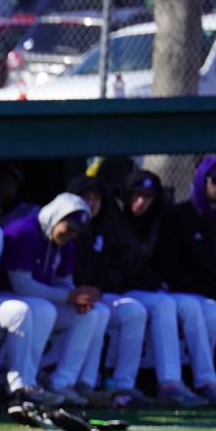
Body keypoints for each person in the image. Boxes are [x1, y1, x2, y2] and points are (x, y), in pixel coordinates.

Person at [159, 154, 216, 403]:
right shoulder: (178, 216)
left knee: (214, 312)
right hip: (183, 294)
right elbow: (168, 266)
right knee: (203, 312)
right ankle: (201, 381)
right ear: (202, 181)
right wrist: (200, 289)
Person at [1, 194, 105, 406]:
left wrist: (79, 296)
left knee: (90, 313)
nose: (73, 234)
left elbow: (63, 281)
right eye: (70, 227)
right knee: (44, 309)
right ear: (57, 216)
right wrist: (68, 296)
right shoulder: (23, 231)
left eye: (77, 231)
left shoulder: (66, 241)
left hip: (36, 300)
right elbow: (21, 285)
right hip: (4, 295)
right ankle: (26, 382)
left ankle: (62, 383)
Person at [126, 170, 216, 402]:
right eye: (135, 195)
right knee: (165, 304)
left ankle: (205, 380)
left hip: (151, 288)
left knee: (204, 309)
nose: (140, 202)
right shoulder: (114, 220)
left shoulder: (160, 220)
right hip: (121, 290)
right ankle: (169, 382)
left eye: (147, 197)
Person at [66, 173, 156, 407]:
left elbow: (111, 269)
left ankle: (124, 385)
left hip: (97, 295)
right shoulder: (65, 226)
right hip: (66, 295)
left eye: (96, 197)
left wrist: (99, 287)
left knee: (134, 311)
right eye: (86, 197)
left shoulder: (105, 228)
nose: (92, 202)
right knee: (97, 312)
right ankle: (84, 382)